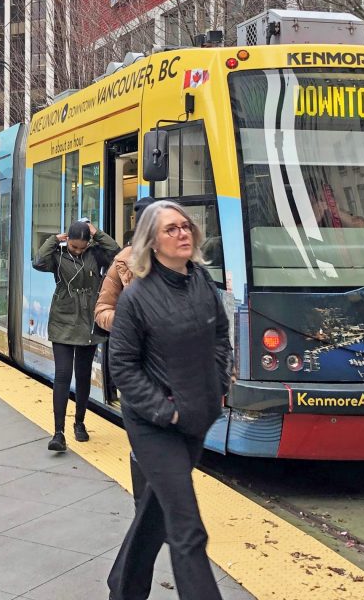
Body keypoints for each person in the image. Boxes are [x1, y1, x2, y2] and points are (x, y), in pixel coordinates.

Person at [107, 200, 232, 600]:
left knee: (155, 512)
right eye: (171, 229)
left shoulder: (202, 282)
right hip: (154, 425)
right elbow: (122, 366)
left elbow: (220, 336)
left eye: (185, 226)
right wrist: (167, 411)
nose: (182, 233)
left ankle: (122, 588)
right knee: (187, 527)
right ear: (152, 242)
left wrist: (216, 385)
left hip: (195, 416)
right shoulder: (136, 297)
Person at [33, 219, 120, 451]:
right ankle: (58, 432)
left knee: (83, 375)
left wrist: (96, 233)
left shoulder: (96, 254)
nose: (78, 251)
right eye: (74, 246)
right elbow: (38, 261)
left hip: (88, 321)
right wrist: (54, 240)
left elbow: (117, 253)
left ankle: (79, 422)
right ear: (67, 240)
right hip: (62, 319)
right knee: (62, 374)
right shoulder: (57, 256)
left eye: (82, 247)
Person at [94, 197, 158, 334]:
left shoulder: (178, 260)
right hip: (133, 342)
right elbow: (102, 311)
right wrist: (126, 321)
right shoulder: (123, 260)